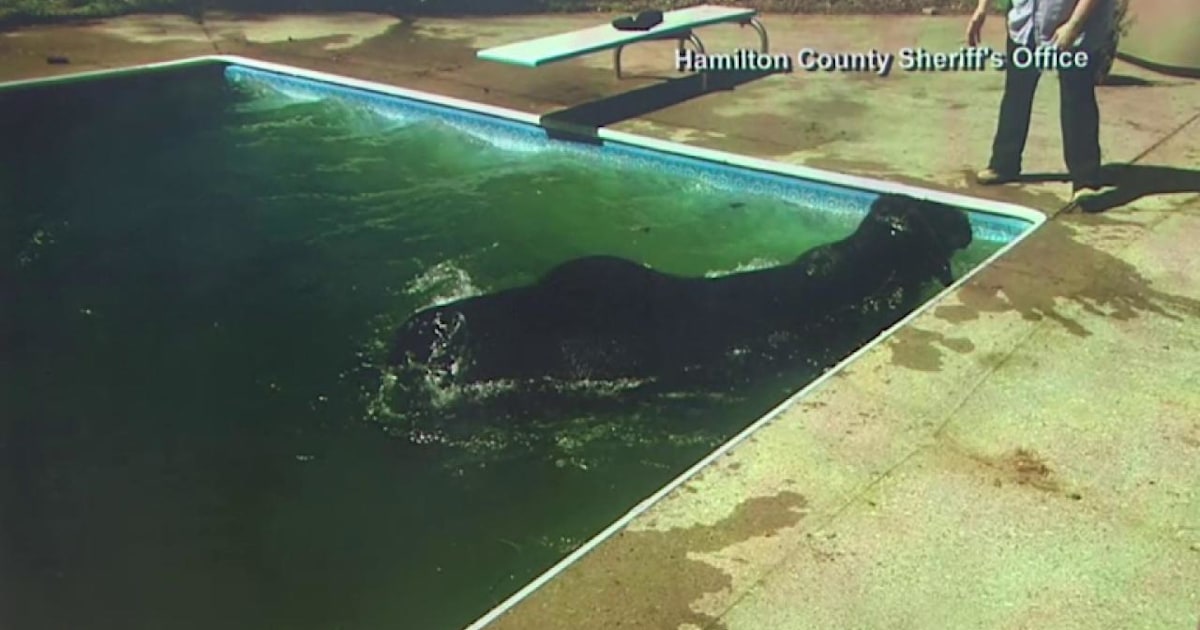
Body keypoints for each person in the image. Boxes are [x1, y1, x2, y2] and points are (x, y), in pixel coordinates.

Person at [967, 0, 1116, 205]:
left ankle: (1085, 179)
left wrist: (1073, 25)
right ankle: (1004, 164)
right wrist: (982, 8)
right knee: (1016, 94)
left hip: (1074, 26)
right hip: (1025, 23)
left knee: (1077, 100)